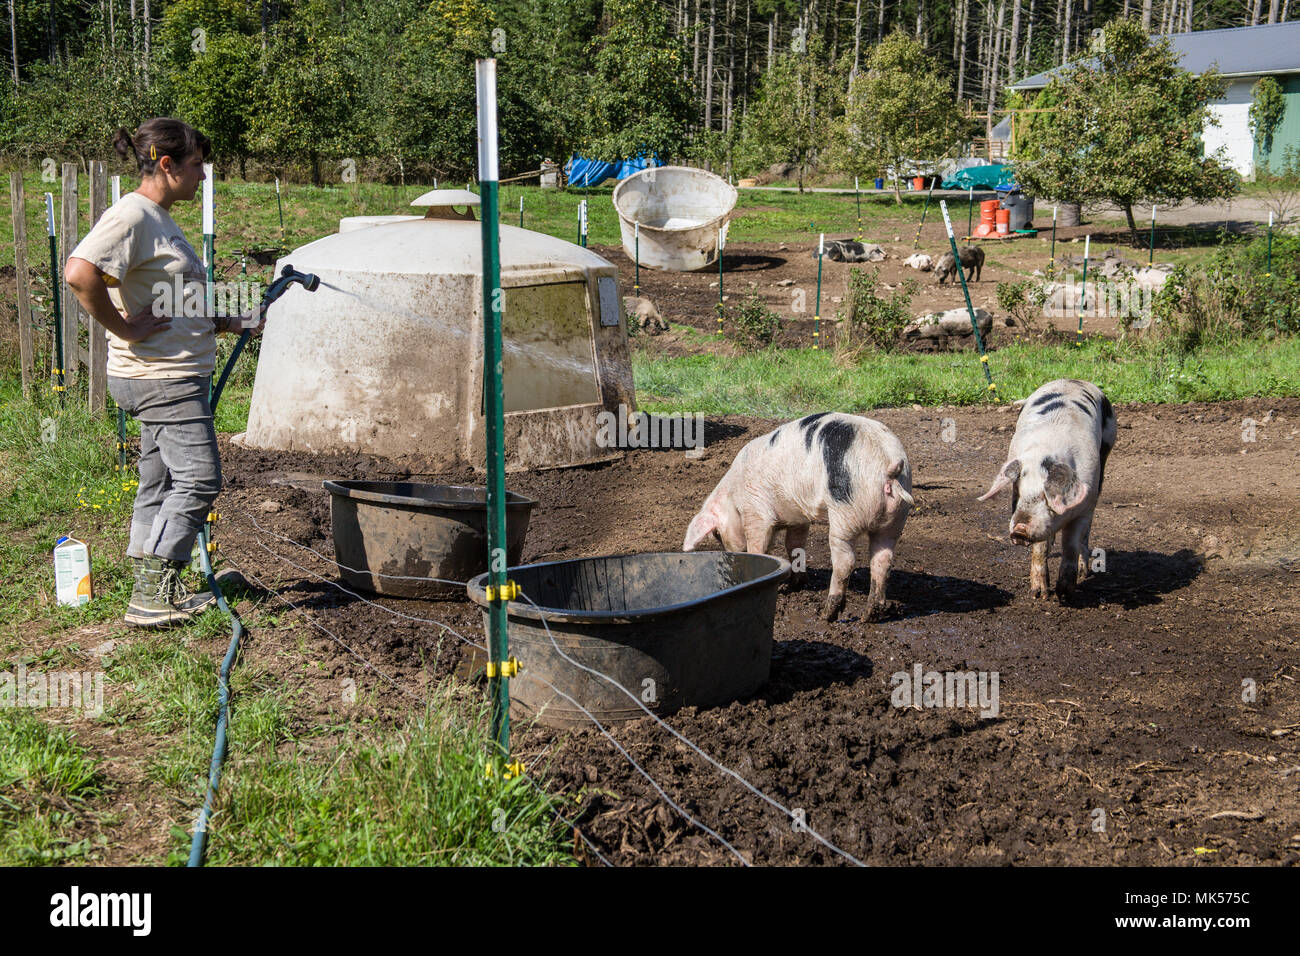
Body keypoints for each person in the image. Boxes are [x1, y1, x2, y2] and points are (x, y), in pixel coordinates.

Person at [66, 118, 260, 628]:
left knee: (161, 478)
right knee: (198, 479)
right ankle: (153, 592)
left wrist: (230, 319)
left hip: (170, 374)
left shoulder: (161, 219)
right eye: (197, 165)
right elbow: (79, 273)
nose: (203, 175)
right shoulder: (132, 215)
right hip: (160, 377)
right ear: (167, 164)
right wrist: (124, 330)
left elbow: (173, 297)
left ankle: (153, 585)